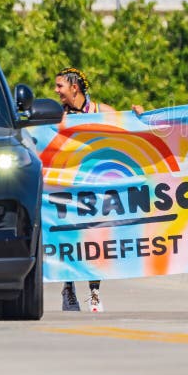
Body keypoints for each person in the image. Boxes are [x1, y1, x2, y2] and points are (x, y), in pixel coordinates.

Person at [54, 67, 121, 312]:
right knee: (70, 236)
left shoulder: (101, 112)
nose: (56, 90)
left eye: (60, 86)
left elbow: (132, 129)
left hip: (97, 186)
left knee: (97, 238)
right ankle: (68, 287)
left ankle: (94, 292)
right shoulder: (57, 115)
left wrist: (138, 115)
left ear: (75, 87)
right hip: (68, 186)